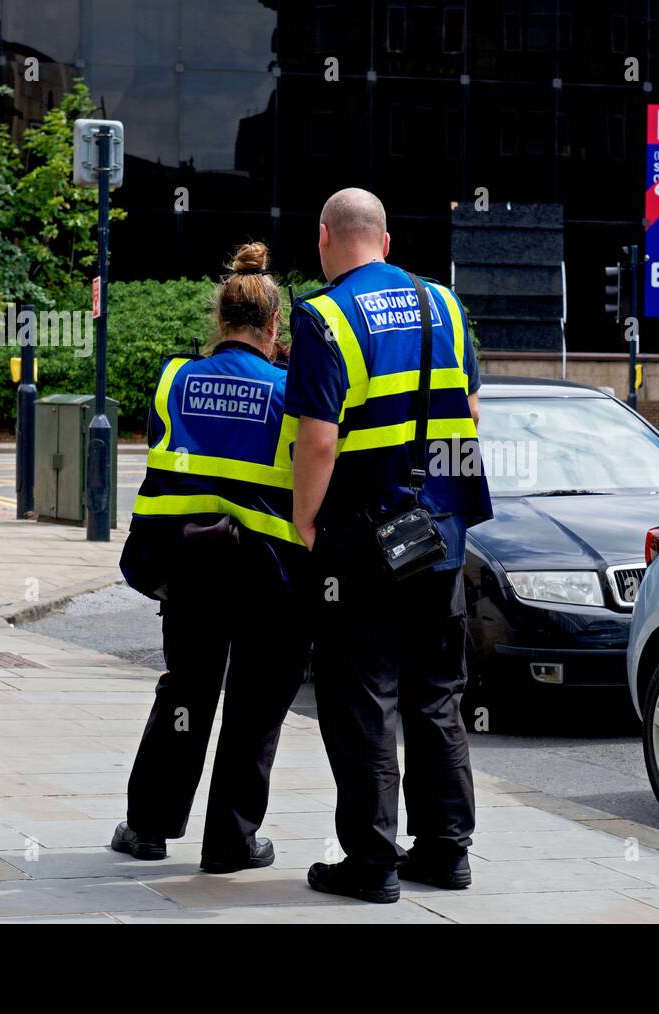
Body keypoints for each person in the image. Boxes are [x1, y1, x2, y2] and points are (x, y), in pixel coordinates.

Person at [287, 188, 493, 904]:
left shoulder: (325, 315)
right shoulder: (447, 305)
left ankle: (371, 862)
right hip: (437, 535)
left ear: (324, 239)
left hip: (360, 539)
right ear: (388, 239)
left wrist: (305, 522)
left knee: (362, 697)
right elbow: (467, 414)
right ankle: (446, 850)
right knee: (436, 696)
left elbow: (318, 440)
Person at [112, 241, 307, 874]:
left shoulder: (174, 379)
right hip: (269, 574)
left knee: (186, 692)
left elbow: (162, 477)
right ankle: (230, 842)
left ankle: (147, 828)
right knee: (255, 703)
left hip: (192, 567)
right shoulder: (290, 393)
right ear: (274, 325)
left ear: (218, 319)